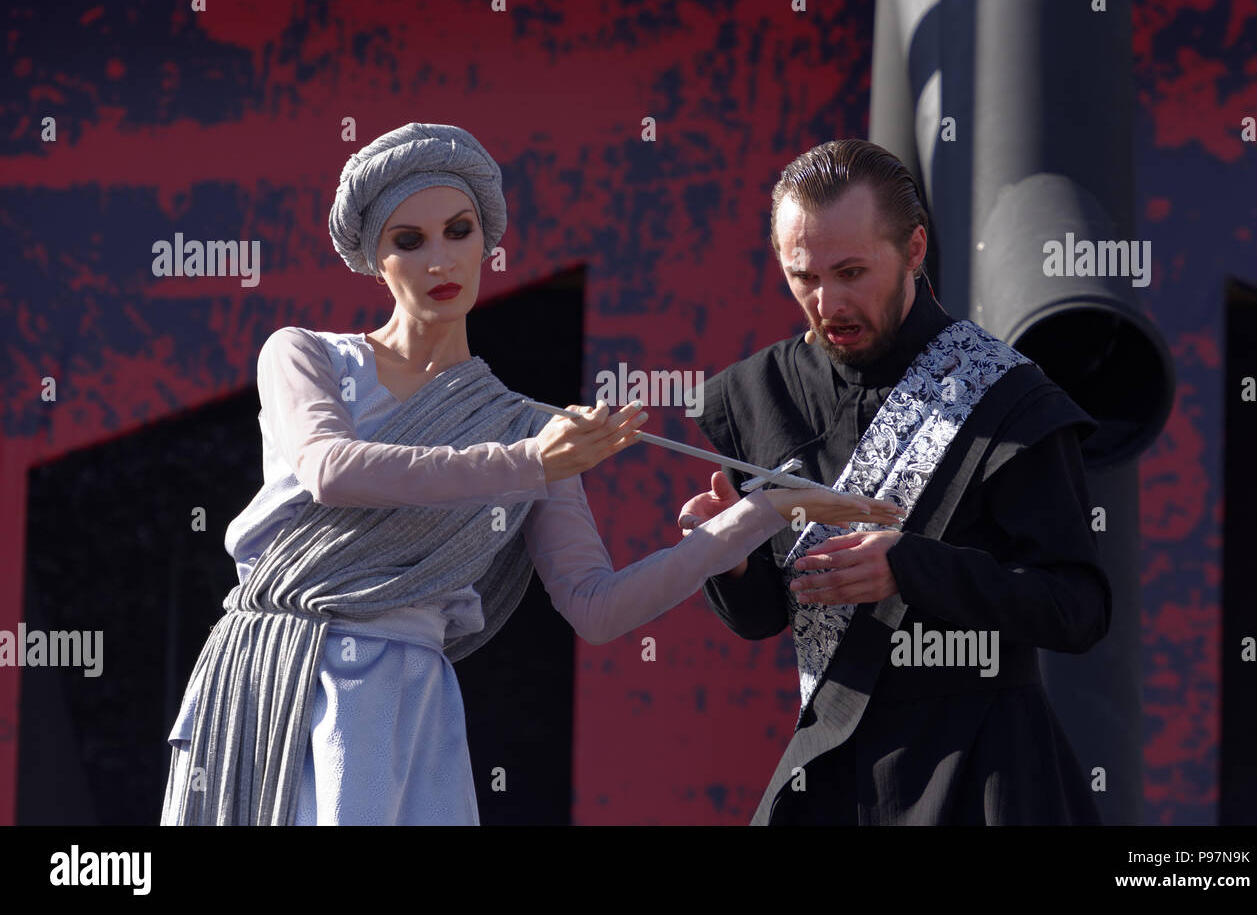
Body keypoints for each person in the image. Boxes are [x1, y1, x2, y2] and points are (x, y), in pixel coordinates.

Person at [159, 123, 902, 826]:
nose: (441, 261)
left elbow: (596, 606)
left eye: (459, 230)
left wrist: (762, 511)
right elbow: (330, 469)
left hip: (402, 705)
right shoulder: (305, 355)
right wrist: (530, 462)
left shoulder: (526, 427)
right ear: (374, 258)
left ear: (488, 238)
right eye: (408, 240)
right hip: (269, 675)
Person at [679, 139, 1112, 825]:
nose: (828, 303)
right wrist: (728, 560)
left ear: (914, 249)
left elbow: (1079, 608)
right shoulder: (756, 394)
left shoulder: (1009, 398)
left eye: (852, 271)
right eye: (803, 276)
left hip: (983, 766)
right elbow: (765, 617)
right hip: (831, 766)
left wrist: (913, 567)